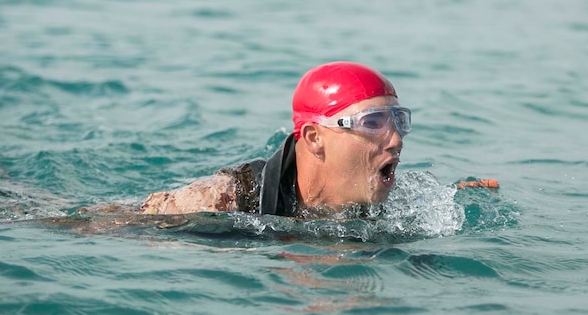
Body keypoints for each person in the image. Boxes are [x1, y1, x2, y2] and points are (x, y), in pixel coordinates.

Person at [140, 61, 410, 216]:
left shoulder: (398, 205)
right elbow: (128, 225)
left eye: (399, 121)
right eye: (372, 122)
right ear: (314, 138)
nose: (396, 140)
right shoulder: (223, 200)